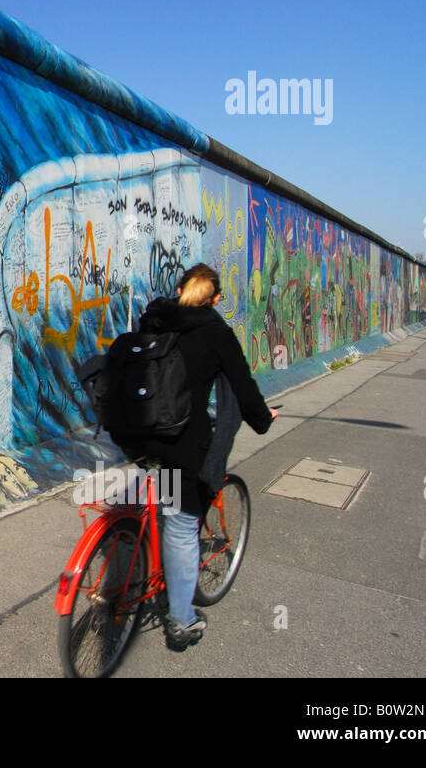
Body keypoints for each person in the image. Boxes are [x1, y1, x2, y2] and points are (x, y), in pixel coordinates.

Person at [128, 263, 277, 650]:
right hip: (181, 443)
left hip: (141, 434)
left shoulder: (155, 319)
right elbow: (244, 389)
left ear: (179, 289)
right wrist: (264, 419)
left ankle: (149, 569)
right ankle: (181, 620)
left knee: (165, 505)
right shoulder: (215, 332)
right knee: (180, 525)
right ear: (215, 297)